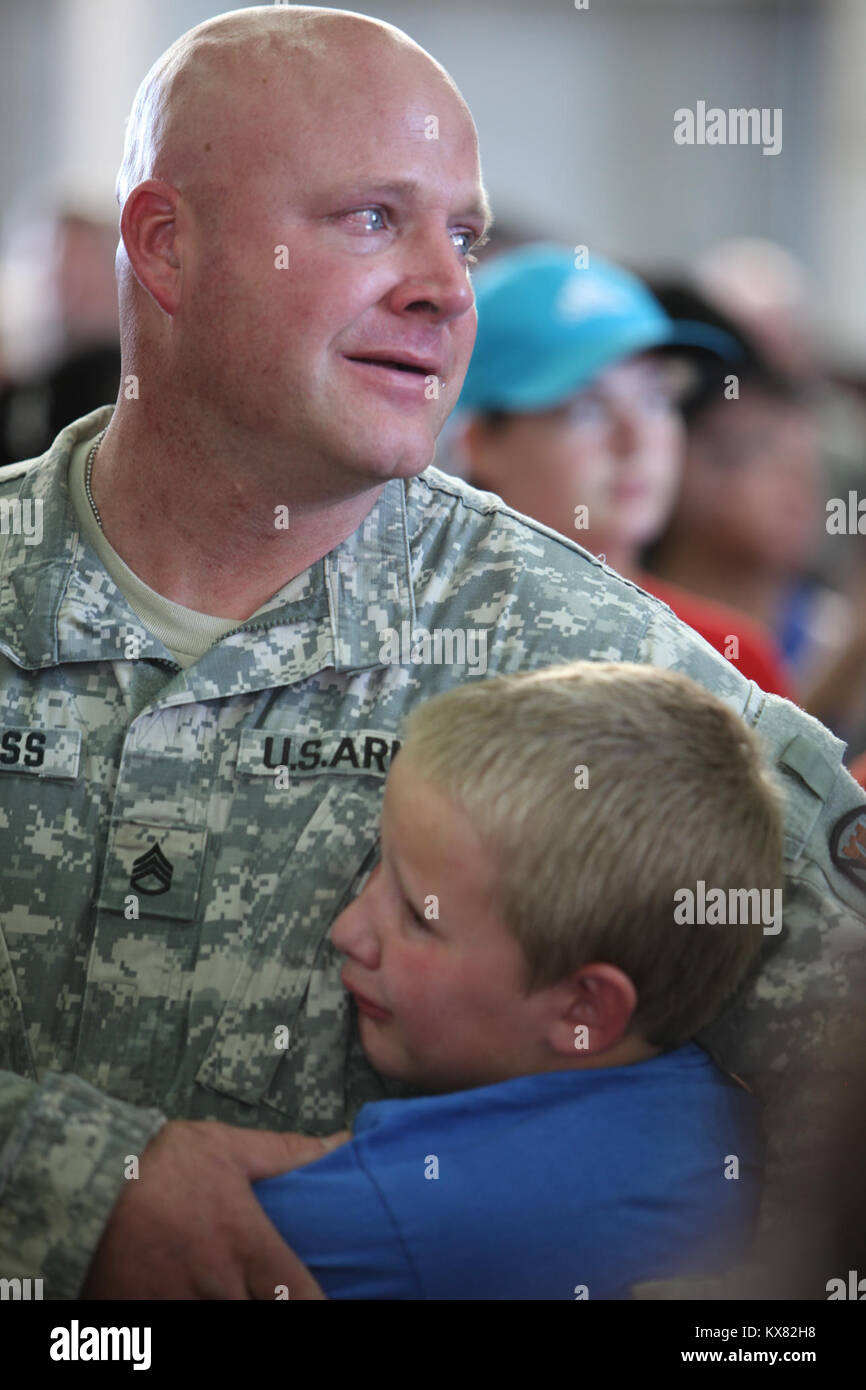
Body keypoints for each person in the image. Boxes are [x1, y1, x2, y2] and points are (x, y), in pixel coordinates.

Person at [0, 5, 863, 1303]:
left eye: (458, 235)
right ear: (165, 247)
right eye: (368, 219)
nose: (445, 285)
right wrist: (65, 1173)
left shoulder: (579, 650)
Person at [254, 661, 773, 1299]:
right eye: (377, 865)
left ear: (583, 1010)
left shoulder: (405, 1212)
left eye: (419, 916)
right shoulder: (737, 1133)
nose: (347, 930)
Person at [454, 245, 793, 697]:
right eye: (586, 410)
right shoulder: (427, 650)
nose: (636, 442)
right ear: (481, 442)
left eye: (655, 399)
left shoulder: (730, 661)